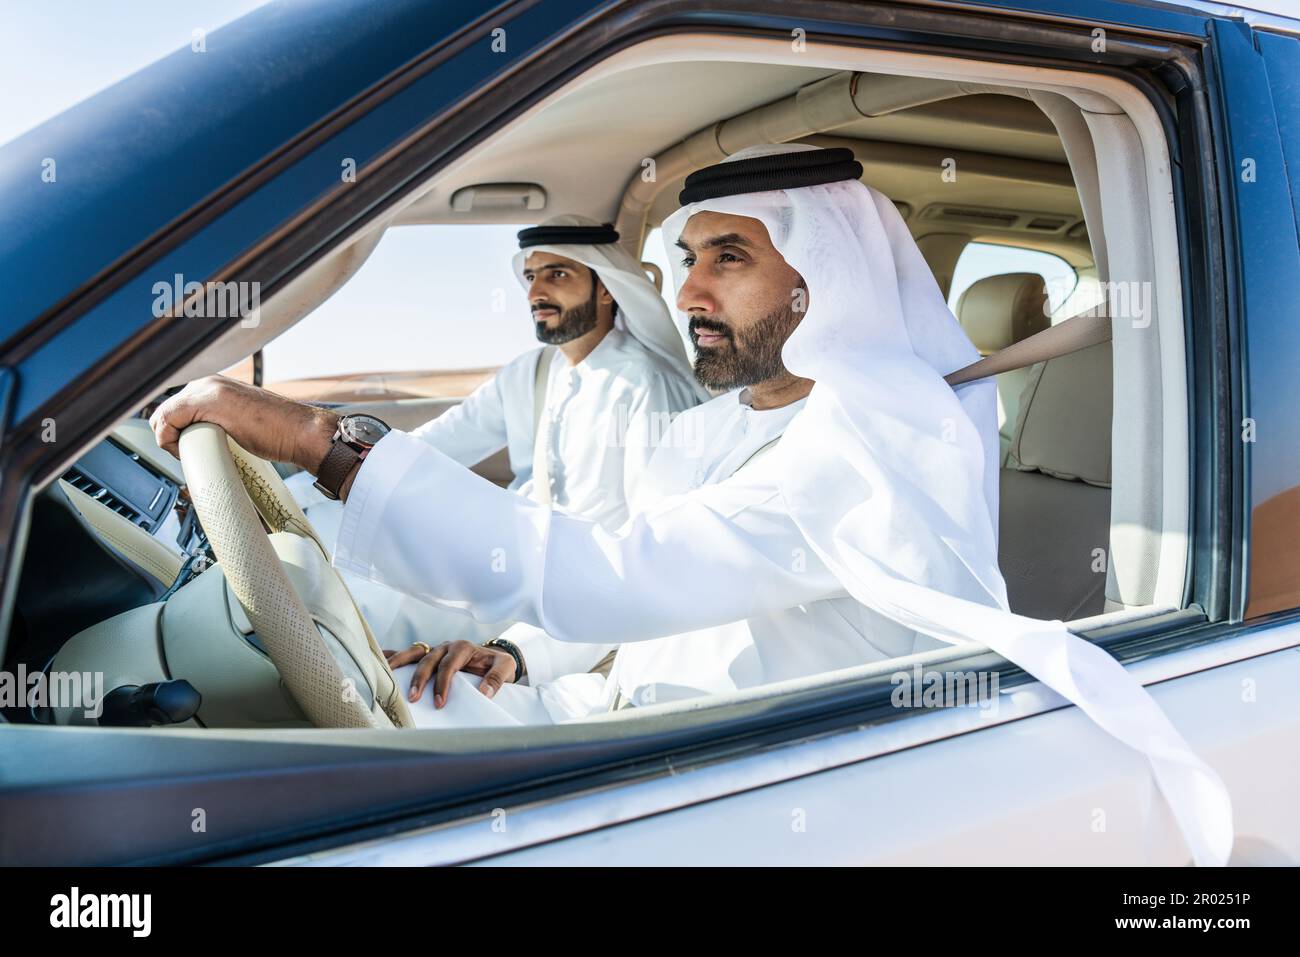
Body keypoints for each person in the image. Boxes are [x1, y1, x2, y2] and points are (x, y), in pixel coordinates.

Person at [153, 145, 1231, 866]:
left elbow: (610, 575)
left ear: (822, 282)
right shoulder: (716, 424)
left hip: (767, 787)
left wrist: (316, 439)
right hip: (630, 722)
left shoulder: (865, 446)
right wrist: (523, 659)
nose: (689, 292)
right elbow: (619, 551)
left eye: (731, 259)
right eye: (686, 260)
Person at [285, 215, 703, 673]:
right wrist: (307, 488)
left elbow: (639, 546)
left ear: (605, 289)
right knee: (337, 527)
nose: (535, 293)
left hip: (566, 585)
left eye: (557, 275)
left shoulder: (648, 384)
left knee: (370, 601)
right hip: (508, 552)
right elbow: (435, 444)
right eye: (530, 276)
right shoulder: (532, 372)